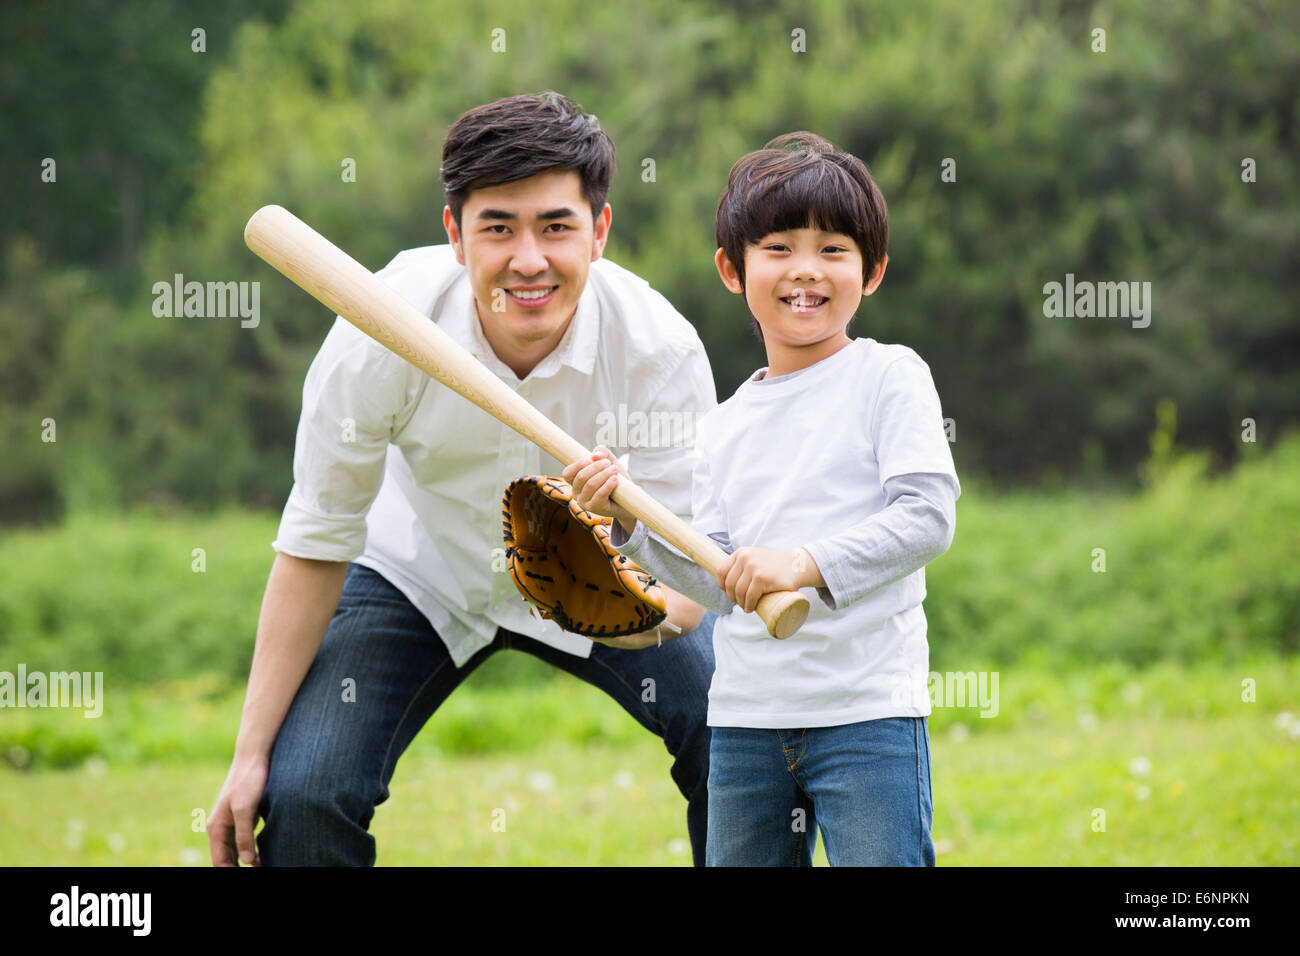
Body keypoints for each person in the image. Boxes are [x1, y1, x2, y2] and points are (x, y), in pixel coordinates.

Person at [207, 92, 719, 867]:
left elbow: (691, 585)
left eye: (556, 226)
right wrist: (250, 756)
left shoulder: (659, 353)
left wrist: (615, 591)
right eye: (497, 228)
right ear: (454, 234)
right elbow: (315, 542)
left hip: (606, 582)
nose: (528, 259)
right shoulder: (378, 331)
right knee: (306, 792)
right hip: (419, 572)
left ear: (600, 232)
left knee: (742, 739)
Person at [564, 132, 960, 866]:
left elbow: (927, 519)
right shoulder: (722, 425)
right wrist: (630, 527)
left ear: (871, 272)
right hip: (744, 722)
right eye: (778, 248)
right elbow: (716, 584)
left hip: (867, 716)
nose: (805, 271)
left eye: (833, 250)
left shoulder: (889, 376)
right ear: (731, 267)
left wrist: (802, 565)